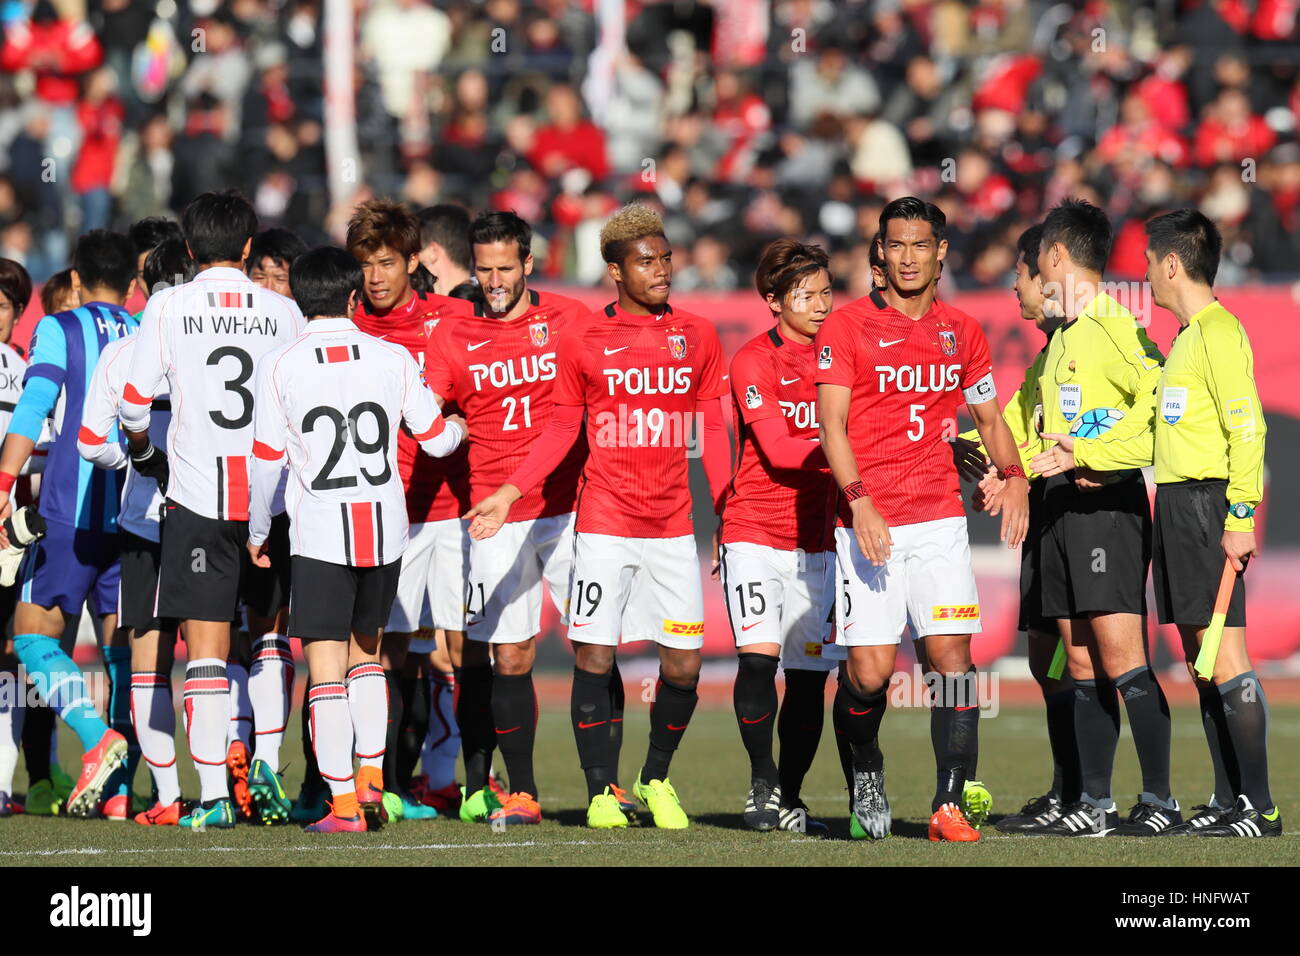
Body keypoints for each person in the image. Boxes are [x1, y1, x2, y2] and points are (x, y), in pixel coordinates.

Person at [466, 204, 733, 830]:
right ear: (615, 269)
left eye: (666, 258)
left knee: (684, 663)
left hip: (673, 524)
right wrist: (509, 492)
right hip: (605, 521)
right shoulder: (583, 338)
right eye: (646, 261)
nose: (662, 270)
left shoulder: (698, 335)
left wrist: (724, 505)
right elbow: (563, 426)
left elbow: (713, 430)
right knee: (593, 653)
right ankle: (599, 793)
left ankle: (656, 777)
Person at [1042, 209, 1278, 838]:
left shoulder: (1221, 333)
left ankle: (1260, 806)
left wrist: (1242, 513)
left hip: (1207, 504)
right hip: (1175, 503)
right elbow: (1151, 435)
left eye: (1148, 261)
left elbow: (1248, 428)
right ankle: (1228, 801)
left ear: (1172, 263)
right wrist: (1083, 453)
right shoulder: (1186, 340)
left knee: (1227, 657)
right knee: (1203, 659)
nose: (1142, 273)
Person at [816, 197, 1029, 843]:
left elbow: (989, 418)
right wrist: (859, 500)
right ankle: (867, 769)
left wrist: (1015, 479)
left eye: (920, 244)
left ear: (941, 252)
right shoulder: (846, 327)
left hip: (938, 518)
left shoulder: (962, 331)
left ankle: (950, 806)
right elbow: (831, 426)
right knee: (871, 674)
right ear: (879, 252)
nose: (907, 256)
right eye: (895, 245)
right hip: (866, 521)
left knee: (951, 659)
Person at [247, 246, 465, 833]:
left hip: (319, 531)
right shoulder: (392, 356)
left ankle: (343, 805)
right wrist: (462, 427)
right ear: (352, 296)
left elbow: (267, 463)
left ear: (297, 298)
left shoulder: (280, 363)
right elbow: (436, 440)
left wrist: (259, 529)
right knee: (366, 655)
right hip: (384, 528)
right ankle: (371, 780)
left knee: (324, 667)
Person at [119, 191, 305, 829]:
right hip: (272, 495)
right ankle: (268, 770)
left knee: (204, 647)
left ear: (191, 249)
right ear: (250, 249)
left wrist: (146, 455)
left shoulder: (169, 304)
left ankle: (212, 801)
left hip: (198, 497)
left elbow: (134, 405)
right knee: (270, 637)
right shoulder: (283, 309)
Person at [424, 211, 589, 826]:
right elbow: (424, 411)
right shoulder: (454, 336)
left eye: (504, 269)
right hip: (493, 514)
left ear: (527, 264)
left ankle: (604, 787)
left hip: (569, 508)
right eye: (484, 269)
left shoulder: (571, 320)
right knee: (510, 655)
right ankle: (520, 791)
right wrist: (444, 427)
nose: (494, 281)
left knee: (593, 648)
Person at [1027, 198, 1177, 837]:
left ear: (1057, 255)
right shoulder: (1064, 337)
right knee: (1080, 661)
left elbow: (1162, 403)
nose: (1033, 269)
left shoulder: (1117, 325)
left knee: (1123, 659)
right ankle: (1094, 804)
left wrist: (1100, 456)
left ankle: (1162, 802)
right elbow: (1033, 424)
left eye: (1038, 258)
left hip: (1108, 514)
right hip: (1064, 510)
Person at [0, 231, 140, 818]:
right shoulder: (145, 330)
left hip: (67, 509)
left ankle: (96, 737)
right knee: (118, 649)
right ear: (134, 284)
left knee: (32, 638)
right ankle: (118, 794)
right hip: (133, 511)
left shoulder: (59, 327)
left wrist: (4, 483)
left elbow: (34, 407)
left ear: (76, 281)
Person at [346, 198, 473, 823]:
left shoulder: (452, 320)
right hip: (377, 516)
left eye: (387, 262)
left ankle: (471, 782)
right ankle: (385, 784)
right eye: (366, 263)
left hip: (450, 512)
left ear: (413, 261)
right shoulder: (344, 328)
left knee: (460, 648)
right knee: (384, 652)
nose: (376, 276)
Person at [957, 224, 1082, 834]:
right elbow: (1005, 428)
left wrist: (1017, 471)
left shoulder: (1098, 337)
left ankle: (1103, 797)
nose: (1014, 287)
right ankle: (1066, 789)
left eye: (1020, 275)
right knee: (1047, 658)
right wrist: (978, 461)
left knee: (1089, 658)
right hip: (1042, 519)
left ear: (1045, 273)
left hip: (1083, 519)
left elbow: (1090, 434)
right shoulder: (1046, 356)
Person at [720, 238, 840, 833]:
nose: (820, 305)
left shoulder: (843, 356)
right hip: (754, 533)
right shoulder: (752, 360)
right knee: (758, 659)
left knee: (810, 676)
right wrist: (850, 450)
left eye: (826, 292)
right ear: (773, 300)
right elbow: (779, 450)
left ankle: (789, 797)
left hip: (820, 541)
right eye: (805, 295)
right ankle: (761, 783)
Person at [78, 237, 192, 825]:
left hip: (145, 524)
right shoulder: (215, 344)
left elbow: (91, 441)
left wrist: (138, 464)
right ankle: (219, 792)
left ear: (145, 288)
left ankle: (171, 797)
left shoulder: (125, 352)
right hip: (209, 516)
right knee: (211, 656)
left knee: (149, 660)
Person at [228, 226, 309, 822]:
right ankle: (239, 756)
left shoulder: (302, 335)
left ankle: (261, 759)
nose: (277, 290)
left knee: (265, 629)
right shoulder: (277, 328)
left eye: (287, 279)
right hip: (217, 498)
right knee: (221, 637)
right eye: (267, 277)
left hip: (272, 501)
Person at [0, 258, 33, 816]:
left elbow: (37, 455)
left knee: (9, 652)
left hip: (8, 531)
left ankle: (3, 781)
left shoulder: (24, 369)